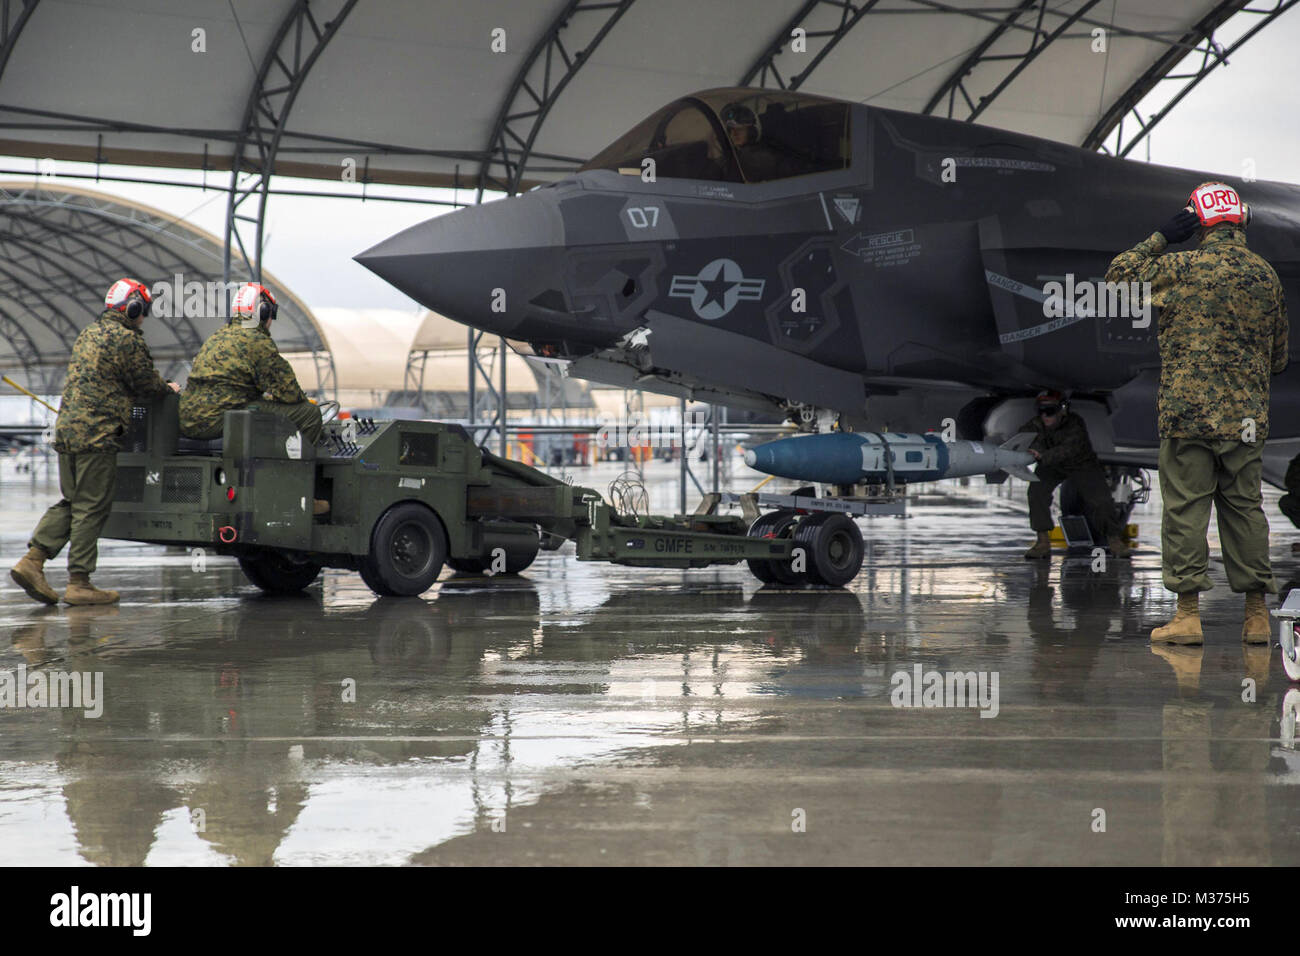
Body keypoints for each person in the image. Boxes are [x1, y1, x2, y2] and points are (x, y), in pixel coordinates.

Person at [1106, 181, 1288, 645]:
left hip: (1187, 417)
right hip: (1245, 419)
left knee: (1187, 510)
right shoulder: (1265, 275)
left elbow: (1118, 276)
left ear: (1197, 220)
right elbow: (1279, 357)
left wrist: (1162, 237)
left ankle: (1187, 618)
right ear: (1241, 217)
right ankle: (1256, 618)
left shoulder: (1179, 267)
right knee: (1245, 509)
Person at [9, 279, 179, 606]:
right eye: (143, 310)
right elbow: (146, 383)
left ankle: (32, 561)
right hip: (97, 434)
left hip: (68, 430)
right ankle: (80, 583)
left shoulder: (88, 334)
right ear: (133, 308)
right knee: (91, 505)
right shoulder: (126, 339)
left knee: (73, 500)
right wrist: (168, 389)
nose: (143, 317)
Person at [179, 282, 323, 446]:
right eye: (272, 314)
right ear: (263, 311)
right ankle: (294, 469)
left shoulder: (217, 337)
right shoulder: (258, 341)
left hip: (188, 421)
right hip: (216, 421)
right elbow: (290, 393)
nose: (271, 320)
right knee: (309, 413)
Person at [1020, 390, 1128, 560]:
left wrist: (1042, 455)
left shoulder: (1075, 424)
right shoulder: (1036, 424)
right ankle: (1042, 541)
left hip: (1081, 464)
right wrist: (1036, 450)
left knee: (1100, 500)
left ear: (1062, 411)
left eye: (1050, 411)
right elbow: (1027, 437)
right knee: (1036, 493)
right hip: (1052, 465)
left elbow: (1069, 449)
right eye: (1041, 411)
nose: (1045, 416)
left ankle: (1114, 540)